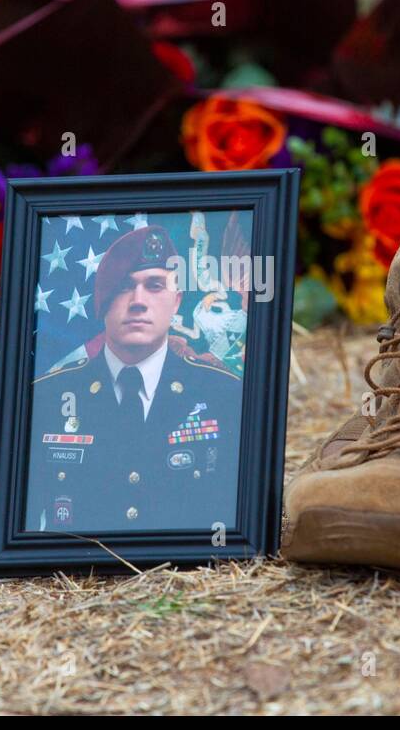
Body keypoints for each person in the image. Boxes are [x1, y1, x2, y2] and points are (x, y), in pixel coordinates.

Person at [28, 225, 243, 532]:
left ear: (177, 301)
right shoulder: (48, 398)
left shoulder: (223, 393)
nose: (138, 301)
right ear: (102, 302)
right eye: (124, 287)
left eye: (155, 286)